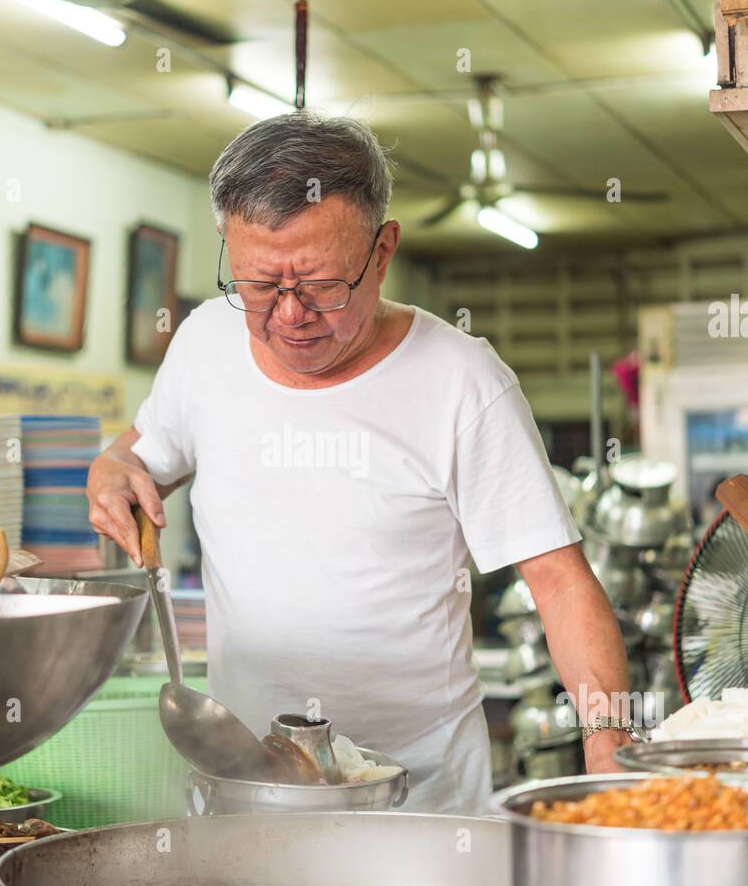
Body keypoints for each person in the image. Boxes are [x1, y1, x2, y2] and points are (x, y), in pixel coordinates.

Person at [87, 113, 630, 812]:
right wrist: (109, 468)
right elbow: (139, 454)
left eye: (320, 283)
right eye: (258, 284)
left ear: (382, 251)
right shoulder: (204, 343)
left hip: (419, 802)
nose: (289, 314)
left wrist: (607, 754)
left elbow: (558, 585)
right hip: (246, 792)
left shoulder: (461, 381)